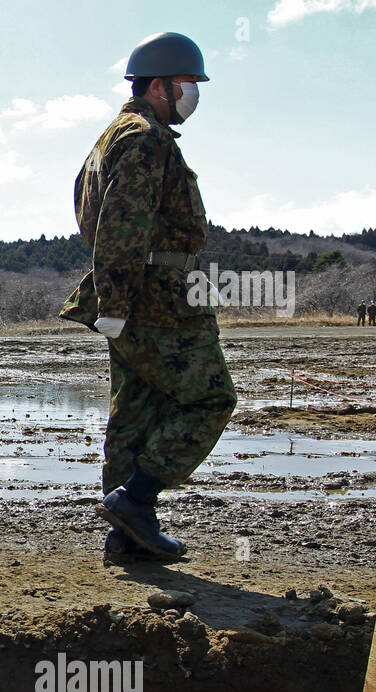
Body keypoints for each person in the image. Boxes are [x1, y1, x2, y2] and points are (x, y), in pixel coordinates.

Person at [59, 33, 236, 562]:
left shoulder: (113, 135)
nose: (192, 95)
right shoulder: (146, 139)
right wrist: (115, 301)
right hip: (157, 299)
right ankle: (135, 501)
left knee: (135, 413)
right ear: (158, 86)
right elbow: (121, 227)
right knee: (210, 399)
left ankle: (126, 537)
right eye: (186, 85)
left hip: (134, 297)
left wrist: (115, 303)